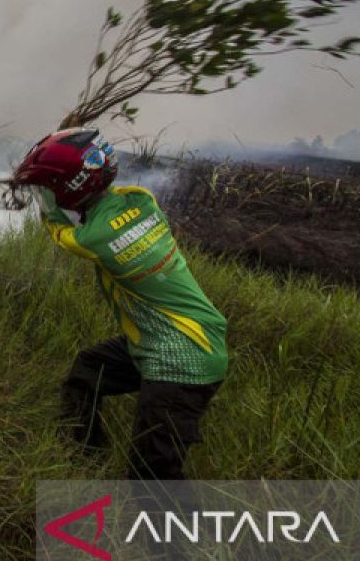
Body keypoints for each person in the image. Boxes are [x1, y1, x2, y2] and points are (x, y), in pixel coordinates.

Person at [13, 127, 228, 480]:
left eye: (49, 188)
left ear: (70, 189)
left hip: (180, 359)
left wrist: (46, 206)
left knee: (152, 476)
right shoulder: (143, 200)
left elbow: (59, 231)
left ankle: (167, 517)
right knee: (87, 372)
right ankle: (84, 458)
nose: (46, 193)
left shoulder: (95, 238)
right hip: (171, 337)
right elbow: (104, 208)